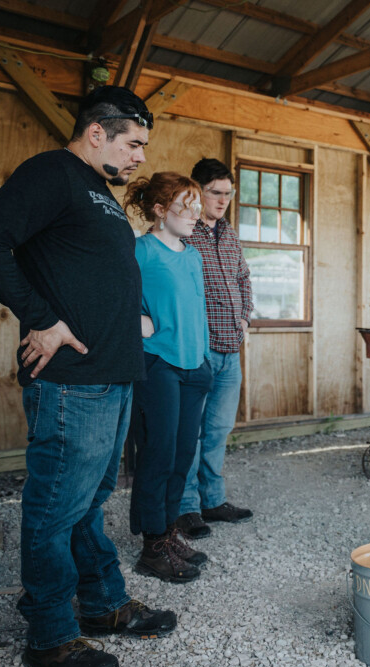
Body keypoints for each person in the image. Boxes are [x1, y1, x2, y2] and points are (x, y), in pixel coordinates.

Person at [0, 86, 175, 667]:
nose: (140, 157)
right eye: (134, 144)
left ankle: (102, 604)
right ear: (97, 132)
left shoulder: (99, 192)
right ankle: (50, 636)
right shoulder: (53, 172)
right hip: (73, 382)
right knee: (55, 510)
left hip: (113, 376)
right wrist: (42, 318)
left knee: (87, 505)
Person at [124, 172, 214, 582]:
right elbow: (112, 296)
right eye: (186, 207)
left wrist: (204, 358)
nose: (196, 214)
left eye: (197, 207)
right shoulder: (140, 250)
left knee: (182, 456)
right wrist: (137, 320)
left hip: (195, 367)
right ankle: (152, 548)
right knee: (158, 454)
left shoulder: (192, 255)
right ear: (160, 210)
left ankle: (168, 530)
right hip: (159, 365)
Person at [172, 158, 254, 540]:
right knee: (189, 432)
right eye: (215, 193)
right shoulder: (185, 232)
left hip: (230, 352)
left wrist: (245, 318)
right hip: (197, 352)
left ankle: (213, 500)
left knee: (218, 430)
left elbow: (244, 277)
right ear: (197, 191)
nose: (223, 200)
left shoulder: (229, 233)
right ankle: (186, 507)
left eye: (228, 194)